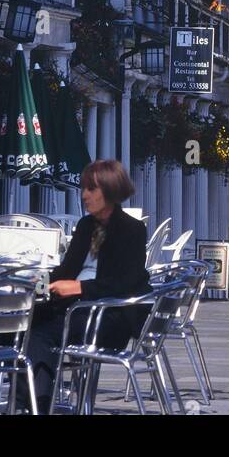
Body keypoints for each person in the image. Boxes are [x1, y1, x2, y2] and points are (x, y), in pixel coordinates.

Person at [28, 160, 150, 414]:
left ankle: (36, 405)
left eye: (91, 189)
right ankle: (29, 403)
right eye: (83, 188)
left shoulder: (132, 230)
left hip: (109, 318)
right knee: (23, 323)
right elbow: (65, 270)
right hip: (76, 309)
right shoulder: (85, 226)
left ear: (110, 190)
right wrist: (38, 284)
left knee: (40, 333)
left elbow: (125, 282)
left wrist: (78, 289)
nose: (84, 195)